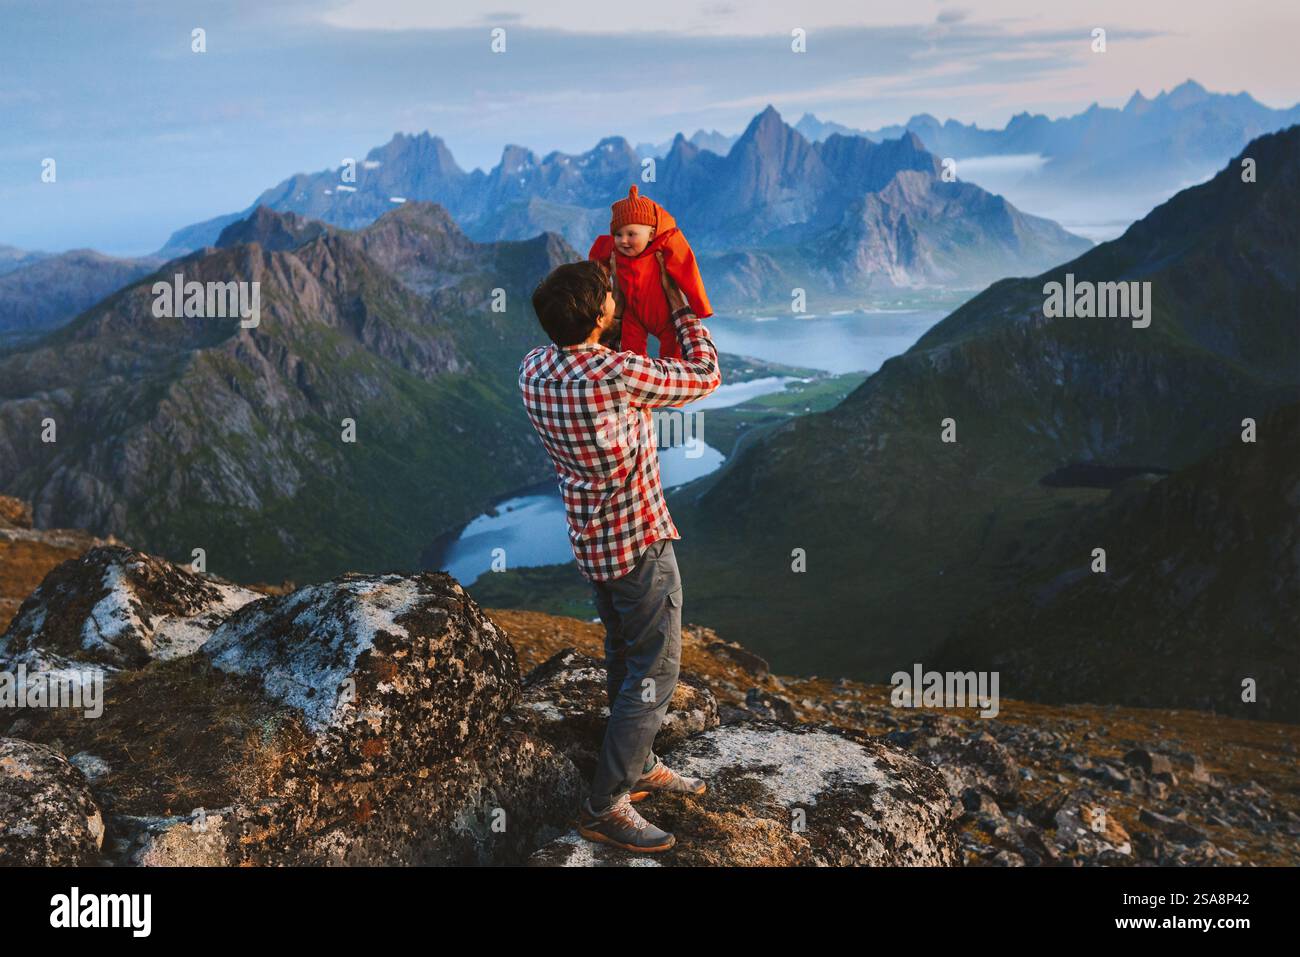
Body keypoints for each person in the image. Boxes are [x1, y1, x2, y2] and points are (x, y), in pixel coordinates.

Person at [518, 250, 721, 852]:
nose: (615, 297)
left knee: (622, 651)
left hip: (590, 540)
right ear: (598, 314)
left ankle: (639, 762)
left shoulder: (533, 369)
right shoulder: (617, 374)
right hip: (639, 541)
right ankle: (606, 804)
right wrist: (680, 311)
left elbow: (576, 332)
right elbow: (704, 375)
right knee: (657, 668)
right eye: (608, 294)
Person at [588, 185, 712, 362]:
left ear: (652, 235)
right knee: (631, 357)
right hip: (632, 313)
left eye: (631, 234)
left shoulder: (664, 247)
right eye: (618, 234)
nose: (623, 240)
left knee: (673, 353)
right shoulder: (613, 250)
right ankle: (637, 383)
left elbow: (686, 268)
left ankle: (669, 382)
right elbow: (595, 270)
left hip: (663, 313)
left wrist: (700, 305)